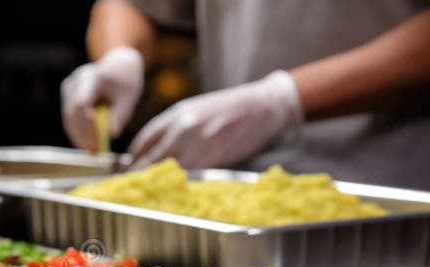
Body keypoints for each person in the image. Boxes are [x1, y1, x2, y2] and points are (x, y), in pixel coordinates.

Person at [61, 0, 430, 188]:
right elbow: (130, 5)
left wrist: (282, 101)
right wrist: (119, 56)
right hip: (228, 189)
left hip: (389, 201)